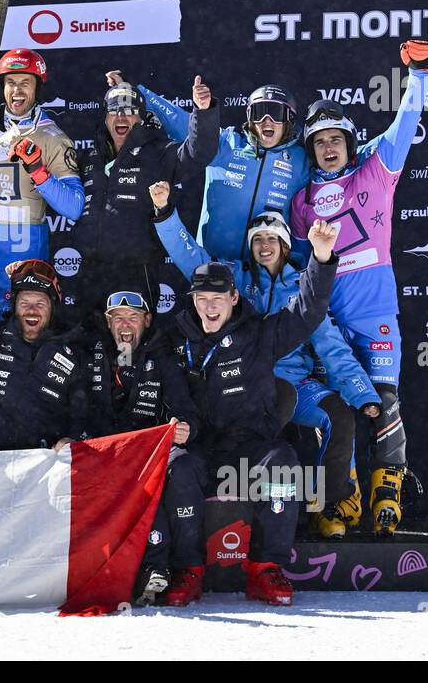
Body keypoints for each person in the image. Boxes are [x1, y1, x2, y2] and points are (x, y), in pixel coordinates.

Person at [150, 187, 381, 538]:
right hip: (244, 380)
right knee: (274, 409)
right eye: (258, 239)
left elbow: (328, 341)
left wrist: (362, 392)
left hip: (292, 382)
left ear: (285, 244)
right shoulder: (235, 279)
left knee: (335, 414)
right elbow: (190, 257)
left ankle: (328, 503)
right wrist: (166, 214)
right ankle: (254, 501)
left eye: (272, 238)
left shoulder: (301, 286)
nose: (264, 245)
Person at [290, 40, 428, 536]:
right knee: (341, 404)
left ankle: (387, 491)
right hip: (326, 320)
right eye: (319, 142)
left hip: (373, 311)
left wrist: (418, 73)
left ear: (350, 143)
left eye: (336, 139)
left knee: (386, 401)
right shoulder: (301, 200)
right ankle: (343, 496)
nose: (328, 148)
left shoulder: (377, 169)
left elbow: (403, 123)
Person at [167, 220, 341, 606]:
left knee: (283, 462)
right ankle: (188, 572)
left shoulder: (259, 334)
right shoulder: (176, 343)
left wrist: (321, 258)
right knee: (177, 466)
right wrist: (184, 428)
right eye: (201, 299)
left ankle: (265, 570)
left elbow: (307, 313)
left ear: (232, 298)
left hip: (250, 449)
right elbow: (179, 402)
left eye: (216, 298)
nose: (208, 307)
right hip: (202, 449)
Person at [68, 291, 206, 607]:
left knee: (182, 466)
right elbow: (76, 412)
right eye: (118, 317)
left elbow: (187, 411)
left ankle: (180, 568)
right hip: (106, 454)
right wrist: (71, 438)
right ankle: (132, 570)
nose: (125, 325)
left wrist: (185, 428)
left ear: (147, 320)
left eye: (132, 317)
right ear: (108, 322)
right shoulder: (92, 355)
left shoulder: (163, 359)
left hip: (150, 455)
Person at [66, 70, 219, 322]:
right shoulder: (91, 156)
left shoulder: (158, 152)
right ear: (105, 118)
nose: (121, 116)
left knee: (133, 343)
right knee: (89, 340)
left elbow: (198, 154)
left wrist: (203, 112)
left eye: (129, 111)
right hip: (92, 269)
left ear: (141, 118)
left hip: (137, 270)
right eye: (114, 110)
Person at [0, 193, 85, 451]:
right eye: (24, 303)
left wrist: (74, 439)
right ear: (13, 306)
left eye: (40, 303)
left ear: (53, 309)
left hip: (42, 469)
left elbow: (87, 414)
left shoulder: (73, 353)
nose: (31, 310)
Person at [139, 77, 309, 264]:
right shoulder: (225, 144)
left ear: (289, 120)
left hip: (267, 277)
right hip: (213, 270)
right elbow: (176, 118)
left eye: (276, 113)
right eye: (259, 112)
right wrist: (137, 92)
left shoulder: (302, 161)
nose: (266, 121)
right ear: (250, 118)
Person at [0, 49, 85, 311]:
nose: (17, 91)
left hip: (21, 252)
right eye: (11, 83)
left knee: (14, 335)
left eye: (25, 83)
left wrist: (38, 171)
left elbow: (74, 207)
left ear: (38, 88)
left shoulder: (52, 137)